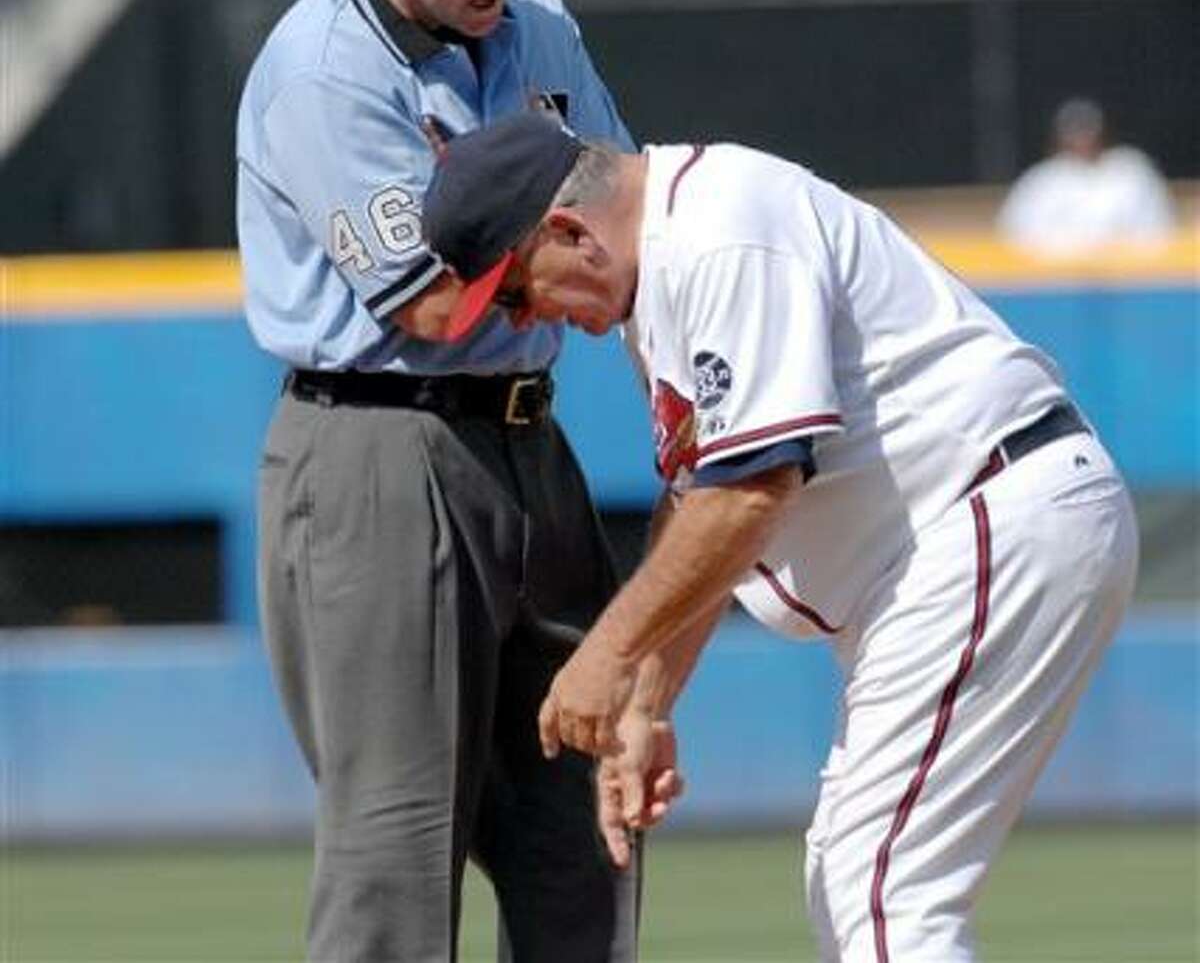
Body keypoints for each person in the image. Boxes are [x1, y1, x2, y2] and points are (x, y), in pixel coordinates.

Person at [417, 113, 1140, 962]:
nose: (522, 315)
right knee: (856, 884)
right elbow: (701, 502)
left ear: (570, 231)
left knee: (888, 898)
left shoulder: (720, 235)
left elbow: (751, 493)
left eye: (512, 289)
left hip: (985, 521)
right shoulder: (673, 261)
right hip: (959, 546)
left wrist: (606, 656)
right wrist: (647, 702)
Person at [234, 0, 649, 960]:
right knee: (396, 856)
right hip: (379, 447)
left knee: (589, 824)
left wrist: (501, 212)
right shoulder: (325, 70)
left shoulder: (539, 15)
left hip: (529, 437)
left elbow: (622, 210)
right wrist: (548, 234)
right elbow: (431, 305)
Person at [998, 97, 1176, 254]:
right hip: (1059, 280)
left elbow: (1159, 227)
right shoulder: (1042, 179)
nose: (1082, 140)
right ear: (1060, 137)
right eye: (1074, 132)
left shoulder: (1131, 169)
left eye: (1088, 131)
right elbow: (1016, 236)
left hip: (1130, 277)